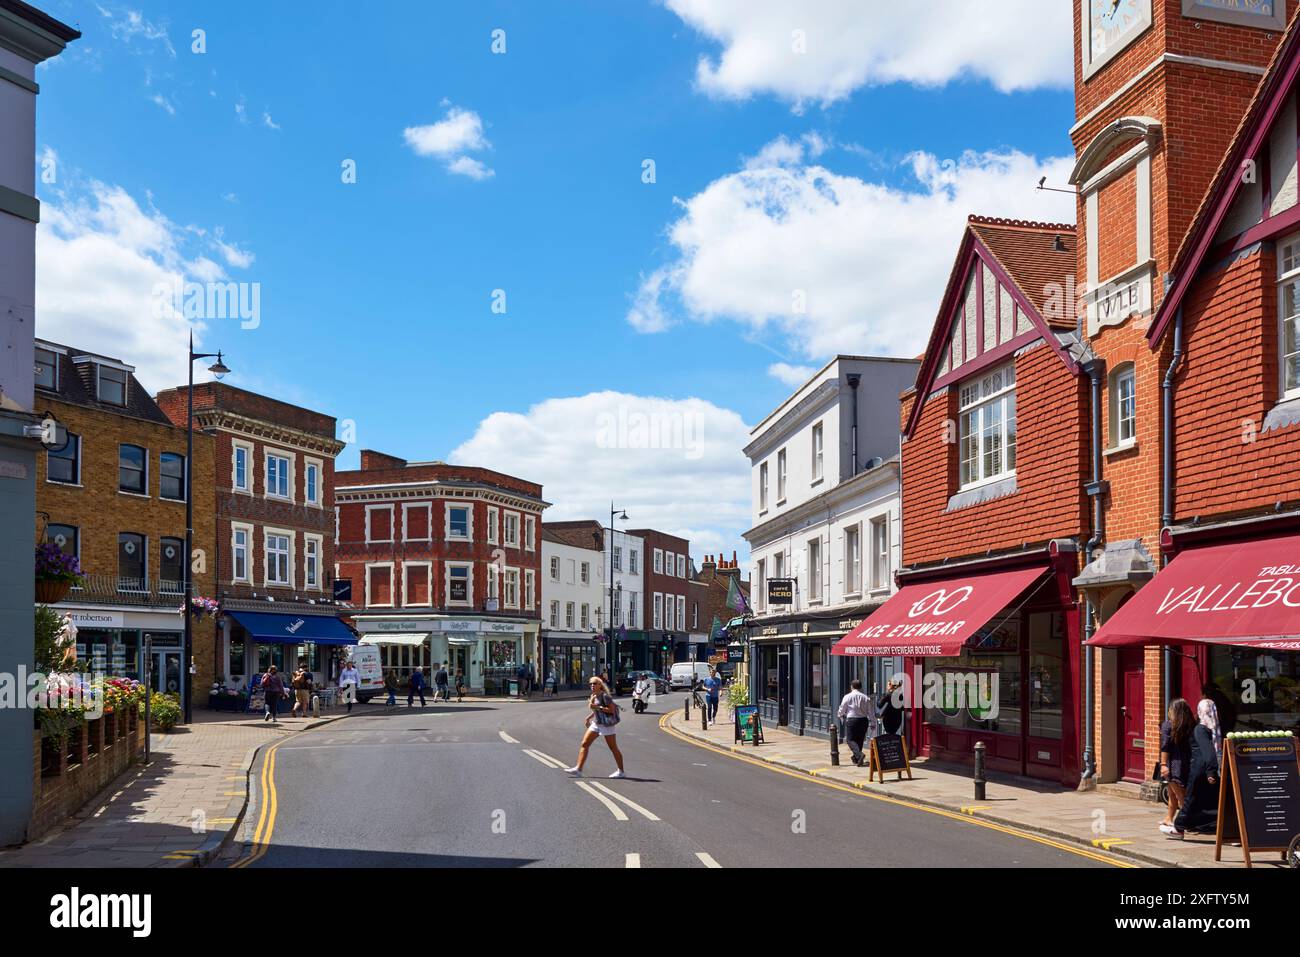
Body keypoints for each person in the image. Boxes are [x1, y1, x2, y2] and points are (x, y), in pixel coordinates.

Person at [1174, 699, 1222, 837]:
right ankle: (1211, 827)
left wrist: (1211, 771)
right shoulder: (1217, 728)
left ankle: (1179, 826)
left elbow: (1209, 752)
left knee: (1191, 799)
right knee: (1210, 801)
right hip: (1216, 770)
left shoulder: (1200, 729)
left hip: (1201, 771)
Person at [564, 676, 625, 778]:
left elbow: (611, 710)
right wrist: (589, 717)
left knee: (613, 748)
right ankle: (578, 769)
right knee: (584, 744)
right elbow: (596, 710)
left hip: (606, 725)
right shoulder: (593, 695)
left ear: (600, 685)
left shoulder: (605, 696)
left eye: (594, 684)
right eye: (591, 684)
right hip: (596, 723)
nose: (592, 685)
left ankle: (621, 771)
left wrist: (596, 707)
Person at [1158, 697, 1195, 837]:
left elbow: (1165, 747)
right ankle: (1169, 818)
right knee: (1172, 793)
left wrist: (1162, 765)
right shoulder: (1190, 724)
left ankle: (1183, 825)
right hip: (1186, 763)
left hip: (1172, 764)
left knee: (1180, 796)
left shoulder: (1169, 725)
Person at [837, 678, 877, 767]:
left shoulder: (847, 697)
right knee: (859, 740)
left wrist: (840, 714)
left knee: (850, 740)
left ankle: (859, 755)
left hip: (852, 720)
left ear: (852, 687)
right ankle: (857, 759)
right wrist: (873, 723)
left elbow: (842, 708)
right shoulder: (866, 697)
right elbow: (871, 712)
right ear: (860, 687)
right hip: (863, 720)